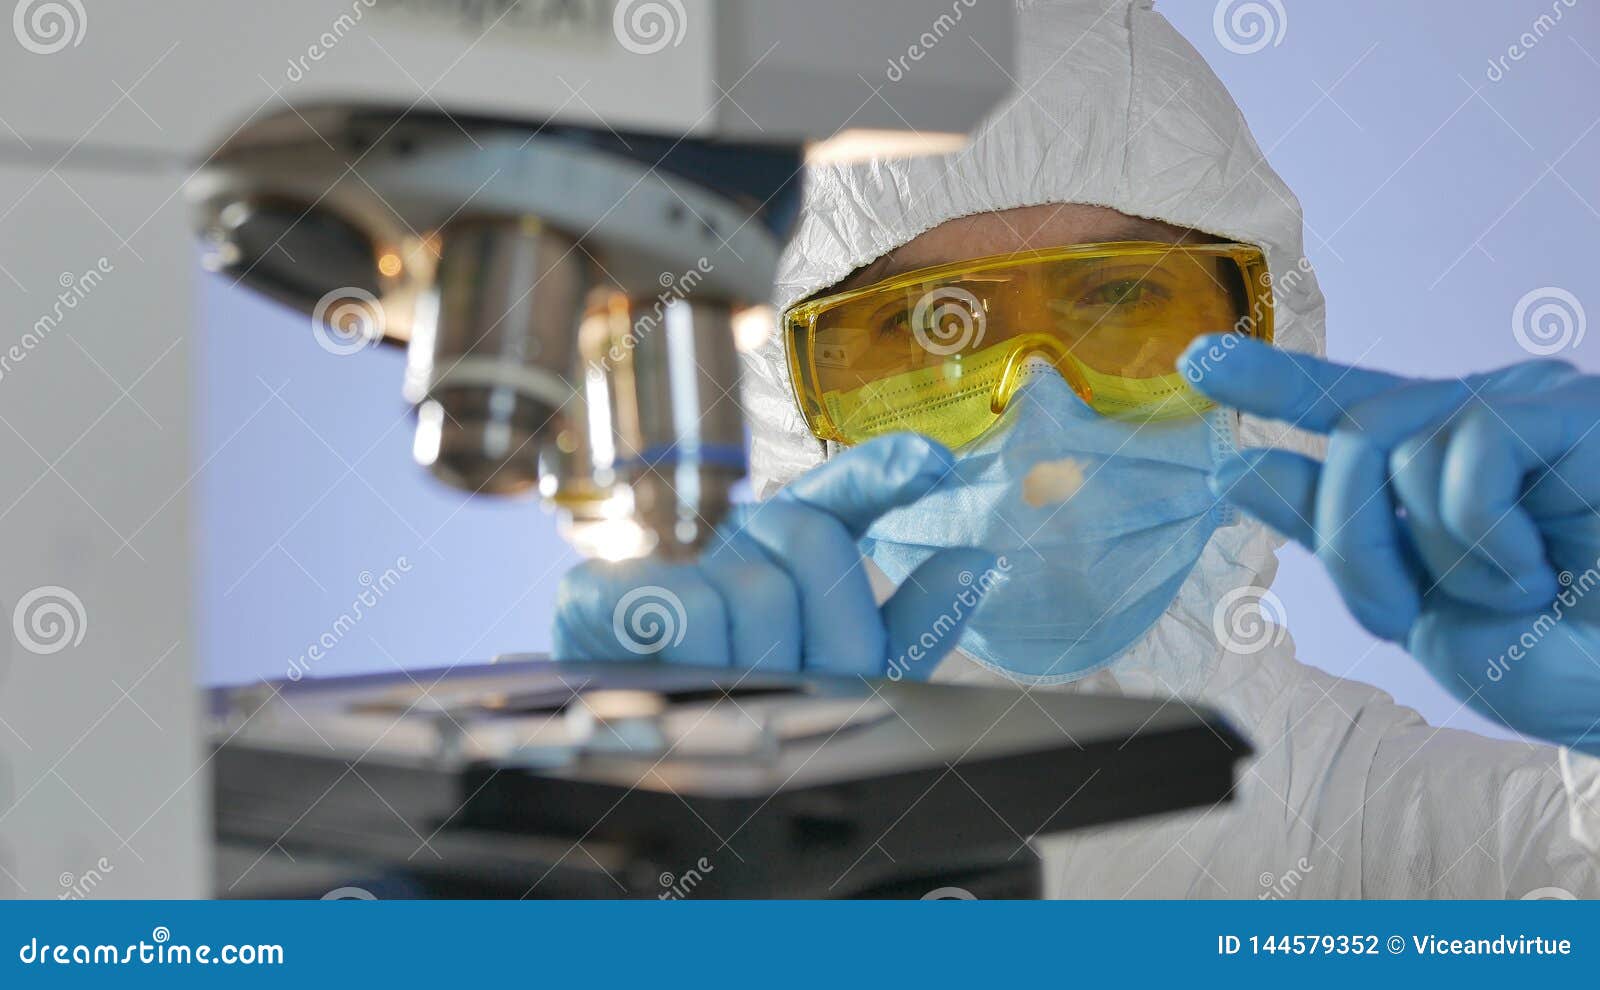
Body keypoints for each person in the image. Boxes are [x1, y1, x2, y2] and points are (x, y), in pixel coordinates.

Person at [555, 0, 1600, 895]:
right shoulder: (670, 830)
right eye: (929, 336)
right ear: (792, 414)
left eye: (1119, 303)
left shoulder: (1408, 848)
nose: (1040, 415)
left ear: (1263, 338)